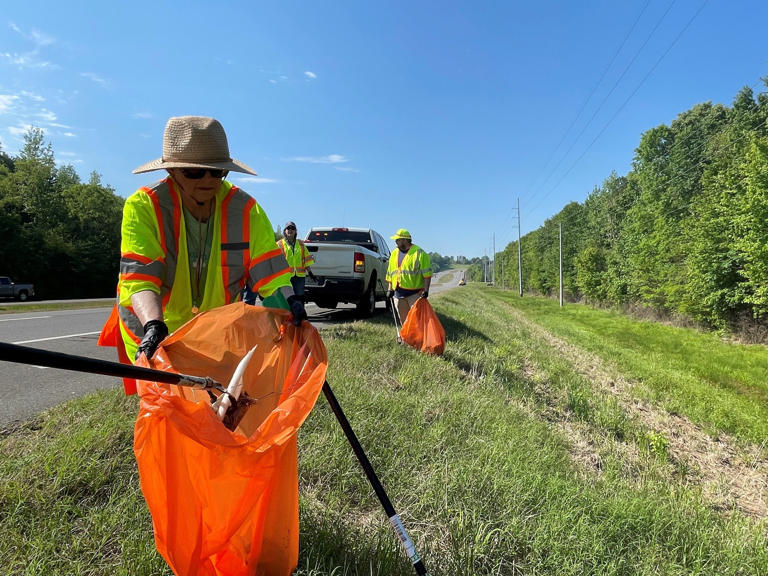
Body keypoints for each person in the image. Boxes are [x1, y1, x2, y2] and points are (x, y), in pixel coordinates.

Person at [114, 115, 306, 364]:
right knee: (167, 398)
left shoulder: (246, 210)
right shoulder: (145, 206)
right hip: (152, 328)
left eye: (217, 172)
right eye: (194, 171)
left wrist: (291, 304)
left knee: (217, 400)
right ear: (171, 170)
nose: (207, 180)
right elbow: (140, 278)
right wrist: (153, 327)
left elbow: (269, 274)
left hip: (215, 331)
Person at [385, 228, 432, 324]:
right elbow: (390, 273)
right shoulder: (394, 253)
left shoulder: (419, 253)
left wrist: (426, 291)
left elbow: (427, 275)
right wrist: (390, 289)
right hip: (398, 294)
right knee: (404, 322)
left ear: (404, 240)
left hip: (414, 294)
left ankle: (417, 339)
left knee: (416, 321)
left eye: (398, 240)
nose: (396, 242)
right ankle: (406, 339)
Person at [278, 221, 316, 301]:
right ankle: (288, 313)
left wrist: (310, 273)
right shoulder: (279, 244)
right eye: (288, 228)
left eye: (292, 228)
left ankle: (299, 313)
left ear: (295, 231)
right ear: (285, 231)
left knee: (299, 297)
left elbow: (306, 259)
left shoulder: (301, 244)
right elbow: (275, 261)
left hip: (299, 277)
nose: (290, 230)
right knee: (287, 298)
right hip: (285, 277)